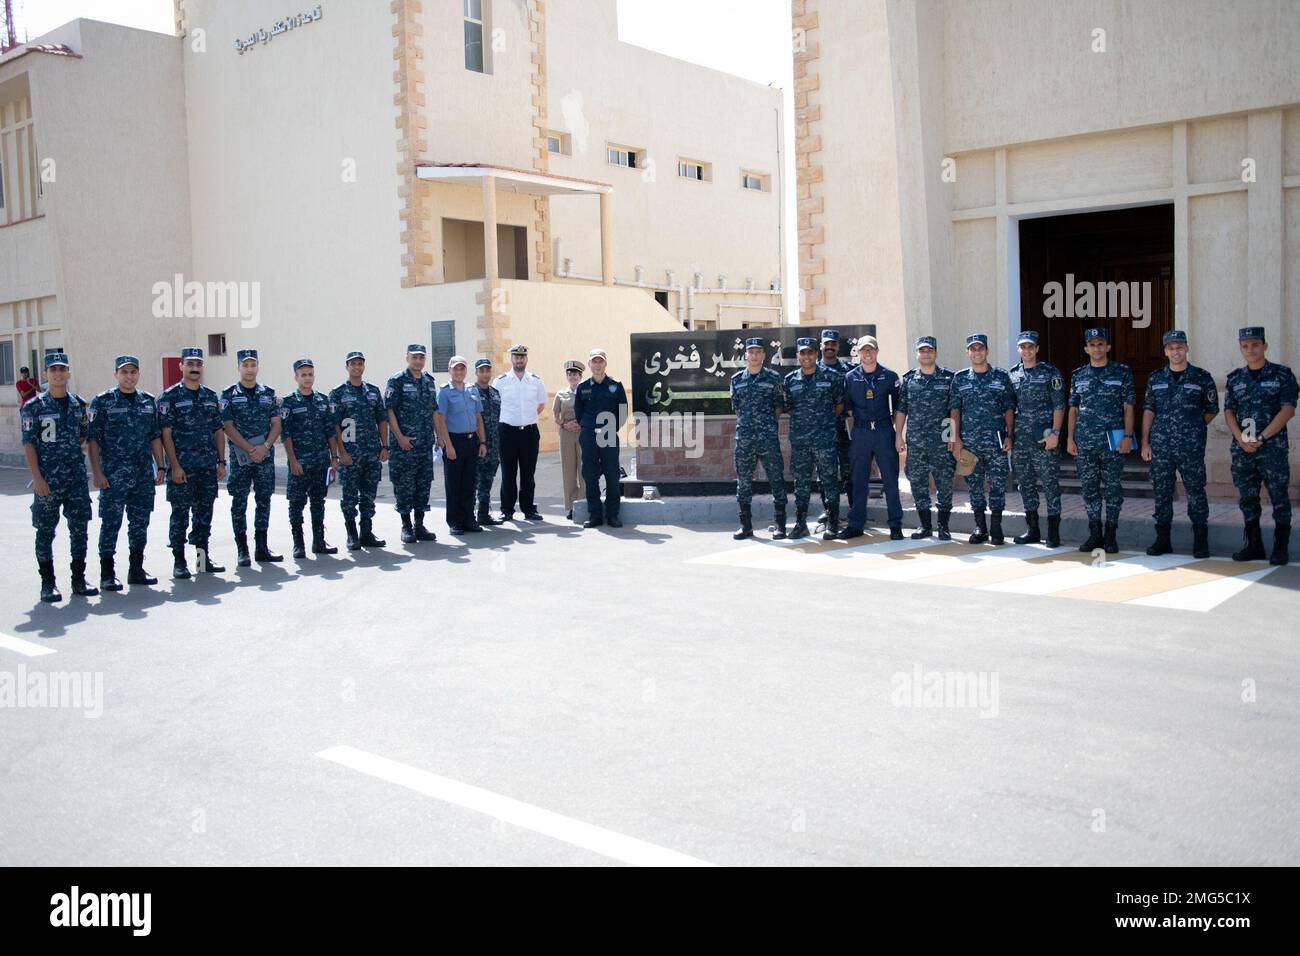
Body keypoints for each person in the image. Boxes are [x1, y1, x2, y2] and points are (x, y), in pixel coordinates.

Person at [22, 352, 96, 601]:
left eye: (62, 369)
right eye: (53, 370)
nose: (57, 374)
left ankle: (78, 579)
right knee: (45, 531)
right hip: (48, 481)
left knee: (79, 530)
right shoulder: (34, 407)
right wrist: (38, 478)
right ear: (45, 374)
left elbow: (83, 437)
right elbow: (29, 444)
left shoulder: (78, 405)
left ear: (68, 374)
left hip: (75, 480)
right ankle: (48, 583)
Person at [87, 355, 164, 591]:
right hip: (113, 475)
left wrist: (160, 466)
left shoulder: (147, 401)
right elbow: (93, 440)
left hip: (142, 475)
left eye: (133, 372)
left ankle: (136, 569)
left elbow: (154, 437)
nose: (129, 376)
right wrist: (97, 473)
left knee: (140, 523)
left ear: (138, 374)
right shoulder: (103, 402)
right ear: (116, 375)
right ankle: (107, 573)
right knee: (111, 523)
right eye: (124, 372)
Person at [1141, 331, 1219, 558]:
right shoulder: (1156, 379)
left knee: (1195, 491)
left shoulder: (1202, 377)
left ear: (1187, 348)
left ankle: (1200, 541)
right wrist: (1145, 442)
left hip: (1191, 448)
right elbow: (1149, 410)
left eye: (1179, 347)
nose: (1176, 352)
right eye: (1171, 348)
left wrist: (1192, 427)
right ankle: (1162, 540)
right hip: (1161, 447)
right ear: (1165, 351)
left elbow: (1211, 411)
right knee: (1162, 492)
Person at [1224, 326, 1297, 565]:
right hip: (1243, 450)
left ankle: (1280, 548)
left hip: (1272, 448)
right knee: (1248, 498)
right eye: (1245, 346)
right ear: (1240, 348)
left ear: (1265, 346)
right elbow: (1229, 412)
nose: (1250, 350)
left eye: (1255, 345)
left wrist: (1262, 438)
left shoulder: (1282, 375)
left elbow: (1288, 410)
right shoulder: (1235, 378)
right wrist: (1240, 438)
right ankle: (1254, 545)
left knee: (1279, 497)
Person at [159, 346, 226, 578]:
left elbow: (218, 430)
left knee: (203, 515)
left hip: (207, 467)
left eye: (198, 365)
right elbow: (166, 434)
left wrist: (221, 461)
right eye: (190, 365)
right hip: (183, 468)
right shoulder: (170, 397)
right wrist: (174, 465)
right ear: (181, 367)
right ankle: (179, 562)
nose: (194, 369)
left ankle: (201, 561)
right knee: (180, 515)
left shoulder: (210, 396)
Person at [1067, 327, 1134, 554]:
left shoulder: (1122, 372)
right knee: (1090, 489)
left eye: (1100, 344)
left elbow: (1129, 407)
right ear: (1086, 349)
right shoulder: (1078, 375)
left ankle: (1111, 534)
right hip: (1085, 442)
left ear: (1108, 347)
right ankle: (1095, 533)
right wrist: (1070, 438)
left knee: (1113, 488)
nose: (1096, 348)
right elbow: (1073, 409)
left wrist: (1127, 436)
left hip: (1113, 442)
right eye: (1092, 344)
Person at [948, 334, 1016, 545]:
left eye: (981, 349)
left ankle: (996, 528)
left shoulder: (1001, 377)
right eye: (973, 349)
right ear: (968, 353)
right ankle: (980, 527)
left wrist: (1010, 435)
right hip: (969, 443)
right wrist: (955, 438)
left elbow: (1009, 409)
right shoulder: (960, 379)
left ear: (987, 351)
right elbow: (954, 411)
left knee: (997, 485)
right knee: (974, 485)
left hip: (996, 442)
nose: (977, 352)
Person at [220, 348, 283, 566]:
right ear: (238, 367)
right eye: (245, 365)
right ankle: (242, 550)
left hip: (264, 457)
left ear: (258, 367)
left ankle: (262, 547)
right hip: (241, 459)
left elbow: (276, 423)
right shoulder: (228, 395)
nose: (249, 369)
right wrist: (249, 449)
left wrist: (265, 447)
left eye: (252, 365)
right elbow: (227, 426)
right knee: (239, 502)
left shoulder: (269, 393)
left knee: (263, 500)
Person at [840, 335, 902, 540]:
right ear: (857, 352)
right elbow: (848, 409)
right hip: (861, 433)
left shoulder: (889, 376)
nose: (867, 354)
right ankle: (856, 524)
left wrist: (894, 432)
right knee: (858, 480)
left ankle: (895, 525)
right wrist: (860, 429)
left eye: (871, 350)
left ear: (877, 351)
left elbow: (899, 407)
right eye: (864, 350)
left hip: (884, 432)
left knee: (891, 480)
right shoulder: (849, 378)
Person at [894, 336, 956, 540]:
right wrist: (899, 436)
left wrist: (952, 438)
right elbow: (902, 410)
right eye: (922, 350)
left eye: (930, 350)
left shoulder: (948, 378)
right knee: (918, 483)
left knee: (944, 483)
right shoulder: (909, 379)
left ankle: (943, 526)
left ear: (935, 352)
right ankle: (925, 526)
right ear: (917, 354)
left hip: (941, 443)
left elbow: (953, 410)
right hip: (917, 442)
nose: (926, 354)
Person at [1008, 331, 1065, 547]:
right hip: (1021, 441)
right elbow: (1010, 408)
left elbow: (1059, 405)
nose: (1027, 351)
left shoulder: (1051, 373)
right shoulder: (1012, 375)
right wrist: (1010, 435)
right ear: (1018, 350)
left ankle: (1053, 532)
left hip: (1045, 440)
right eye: (1023, 347)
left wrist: (1056, 433)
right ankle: (1032, 529)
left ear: (1037, 349)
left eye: (1031, 347)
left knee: (1050, 484)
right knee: (1025, 484)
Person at [783, 337, 844, 539]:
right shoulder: (790, 380)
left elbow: (839, 405)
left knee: (829, 482)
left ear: (816, 355)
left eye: (810, 352)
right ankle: (800, 524)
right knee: (801, 483)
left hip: (825, 440)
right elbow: (789, 408)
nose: (806, 356)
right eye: (803, 353)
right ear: (798, 356)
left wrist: (823, 423)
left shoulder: (832, 377)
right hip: (800, 442)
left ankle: (832, 524)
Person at [281, 358, 339, 559]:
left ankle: (319, 541)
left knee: (318, 502)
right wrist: (293, 461)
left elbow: (330, 432)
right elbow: (286, 435)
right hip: (300, 464)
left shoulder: (323, 401)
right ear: (296, 377)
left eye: (310, 374)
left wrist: (334, 458)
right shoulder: (288, 402)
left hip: (321, 462)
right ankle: (298, 544)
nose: (307, 378)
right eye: (303, 374)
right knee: (296, 504)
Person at [330, 351, 389, 550]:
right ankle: (351, 534)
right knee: (349, 496)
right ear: (346, 367)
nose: (356, 367)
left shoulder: (372, 391)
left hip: (371, 452)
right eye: (353, 364)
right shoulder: (338, 393)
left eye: (360, 363)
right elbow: (334, 426)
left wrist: (384, 445)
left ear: (364, 366)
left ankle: (366, 532)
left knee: (368, 495)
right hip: (350, 454)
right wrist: (340, 453)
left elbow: (381, 420)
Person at [730, 336, 787, 539]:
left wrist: (764, 426)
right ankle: (745, 526)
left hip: (767, 438)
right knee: (743, 481)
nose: (754, 355)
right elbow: (737, 409)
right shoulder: (736, 380)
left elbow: (778, 408)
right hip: (744, 439)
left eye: (758, 352)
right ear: (746, 355)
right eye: (750, 352)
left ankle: (780, 525)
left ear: (763, 355)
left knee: (776, 479)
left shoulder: (773, 378)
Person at [386, 344, 438, 544]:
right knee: (404, 486)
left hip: (424, 445)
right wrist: (399, 437)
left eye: (421, 357)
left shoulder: (429, 382)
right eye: (414, 357)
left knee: (423, 485)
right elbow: (389, 410)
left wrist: (438, 436)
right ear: (407, 357)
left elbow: (434, 411)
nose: (418, 361)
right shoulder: (397, 381)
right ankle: (406, 526)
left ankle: (419, 525)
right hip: (404, 446)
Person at [574, 349, 628, 528]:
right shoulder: (582, 387)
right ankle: (595, 515)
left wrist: (611, 429)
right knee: (590, 475)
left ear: (605, 363)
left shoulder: (615, 385)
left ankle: (613, 515)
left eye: (600, 361)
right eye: (594, 361)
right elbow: (579, 412)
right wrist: (588, 427)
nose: (597, 364)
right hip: (589, 435)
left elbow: (622, 411)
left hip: (608, 434)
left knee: (612, 474)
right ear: (589, 364)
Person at [494, 343, 548, 522]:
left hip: (529, 433)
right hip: (507, 432)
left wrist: (527, 418)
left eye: (522, 357)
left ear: (526, 359)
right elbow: (495, 406)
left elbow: (541, 404)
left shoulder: (535, 380)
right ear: (511, 359)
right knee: (508, 473)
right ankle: (507, 510)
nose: (519, 360)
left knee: (528, 473)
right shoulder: (501, 381)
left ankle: (528, 509)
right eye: (516, 357)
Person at [435, 355, 487, 535]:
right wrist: (447, 445)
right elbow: (440, 420)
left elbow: (478, 417)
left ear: (466, 371)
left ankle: (468, 519)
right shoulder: (444, 391)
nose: (459, 372)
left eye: (462, 368)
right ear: (449, 370)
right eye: (455, 368)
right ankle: (455, 521)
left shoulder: (472, 390)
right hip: (454, 441)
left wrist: (482, 441)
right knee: (454, 484)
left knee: (469, 483)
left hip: (472, 440)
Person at [818, 329, 855, 521]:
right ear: (821, 346)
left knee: (850, 471)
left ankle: (853, 510)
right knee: (825, 473)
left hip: (845, 430)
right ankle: (829, 511)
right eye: (826, 344)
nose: (830, 347)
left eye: (833, 344)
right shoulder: (812, 371)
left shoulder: (849, 371)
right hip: (822, 432)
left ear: (838, 346)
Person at [553, 359, 586, 520]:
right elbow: (555, 415)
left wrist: (580, 423)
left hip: (582, 432)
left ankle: (583, 502)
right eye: (570, 374)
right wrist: (565, 425)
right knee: (568, 470)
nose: (572, 377)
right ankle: (572, 506)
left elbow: (590, 411)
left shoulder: (586, 392)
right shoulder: (561, 394)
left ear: (580, 376)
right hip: (566, 433)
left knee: (584, 469)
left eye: (575, 374)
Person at [472, 358, 503, 527]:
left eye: (487, 370)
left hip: (493, 445)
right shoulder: (470, 392)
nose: (485, 373)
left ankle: (483, 514)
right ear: (476, 372)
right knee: (473, 480)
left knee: (487, 480)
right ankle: (469, 515)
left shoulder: (495, 393)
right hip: (476, 444)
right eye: (481, 370)